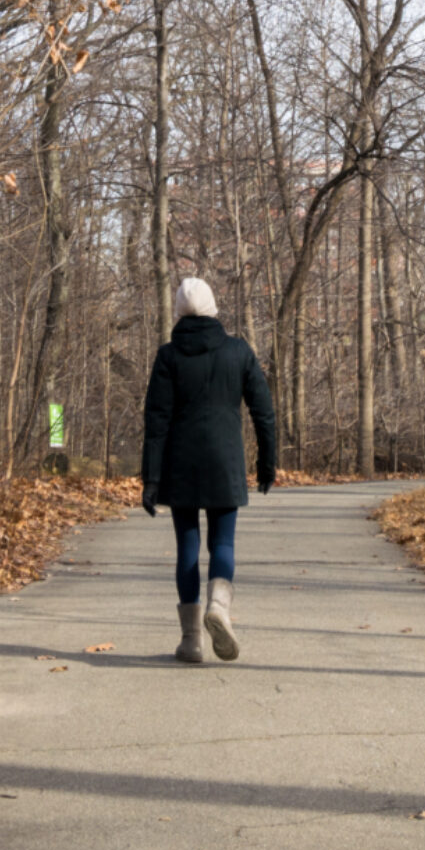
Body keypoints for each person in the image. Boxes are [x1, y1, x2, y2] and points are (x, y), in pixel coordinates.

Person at [141, 277, 277, 663]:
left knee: (186, 546)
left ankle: (191, 642)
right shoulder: (238, 352)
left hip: (180, 463)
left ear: (180, 312)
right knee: (223, 543)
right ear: (215, 308)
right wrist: (267, 463)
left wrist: (150, 479)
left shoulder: (168, 356)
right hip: (225, 459)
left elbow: (157, 420)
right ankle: (219, 606)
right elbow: (263, 412)